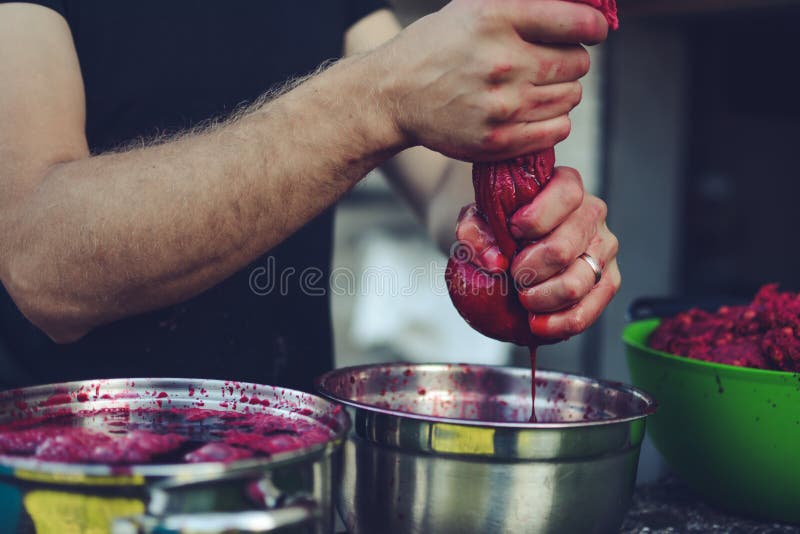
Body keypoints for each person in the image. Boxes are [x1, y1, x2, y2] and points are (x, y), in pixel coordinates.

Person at [0, 0, 621, 392]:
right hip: (67, 483)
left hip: (289, 466)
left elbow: (438, 182)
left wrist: (529, 221)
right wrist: (379, 98)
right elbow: (45, 266)